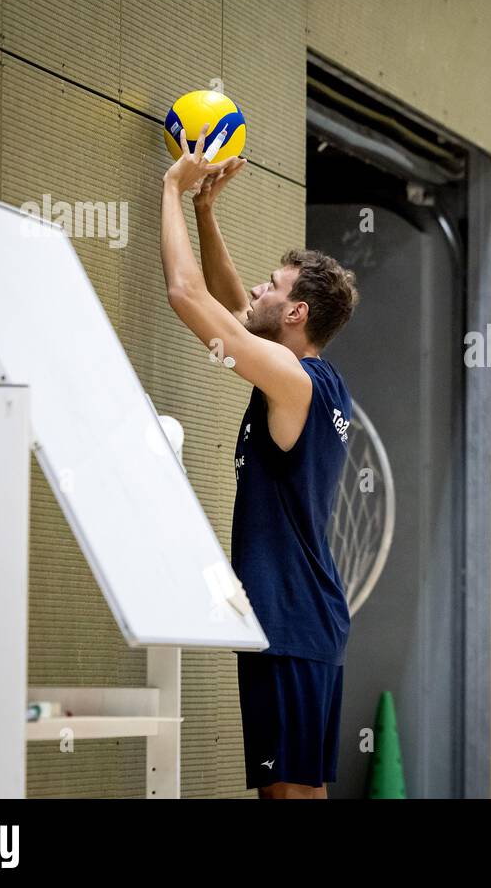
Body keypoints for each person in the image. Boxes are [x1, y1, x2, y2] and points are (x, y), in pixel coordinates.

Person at [159, 125, 359, 799]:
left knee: (291, 796)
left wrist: (170, 188)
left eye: (271, 285)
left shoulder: (295, 383)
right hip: (299, 622)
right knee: (294, 793)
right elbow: (237, 310)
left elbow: (189, 297)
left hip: (293, 622)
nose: (256, 289)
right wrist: (204, 210)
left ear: (297, 310)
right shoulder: (303, 377)